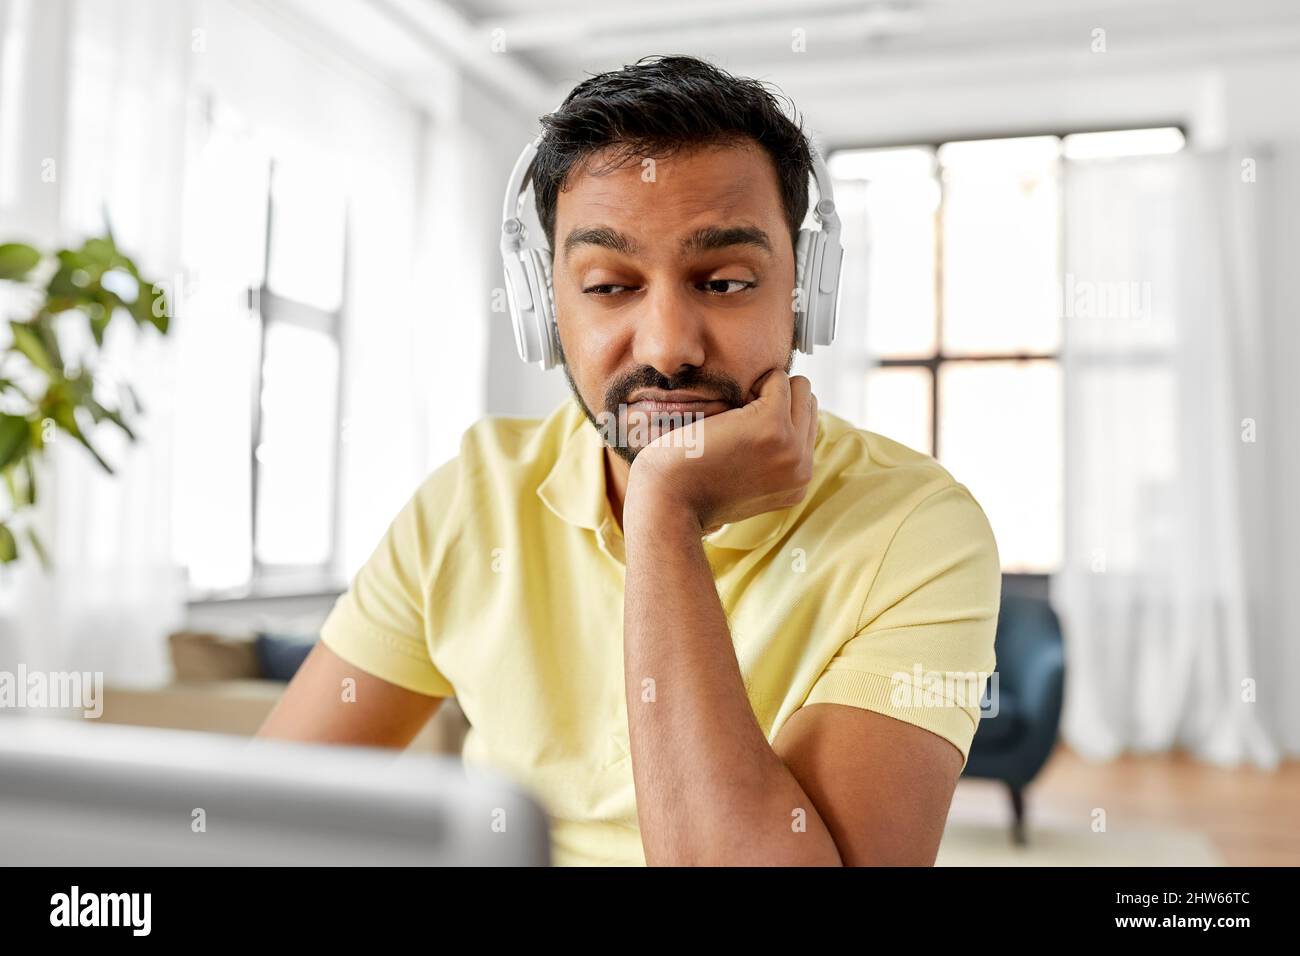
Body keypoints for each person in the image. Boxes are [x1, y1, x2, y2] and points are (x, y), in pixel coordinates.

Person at [258, 54, 1000, 867]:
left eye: (723, 281)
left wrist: (664, 512)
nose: (668, 347)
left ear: (807, 295)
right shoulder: (474, 500)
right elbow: (266, 813)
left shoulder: (919, 529)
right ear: (544, 311)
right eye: (610, 285)